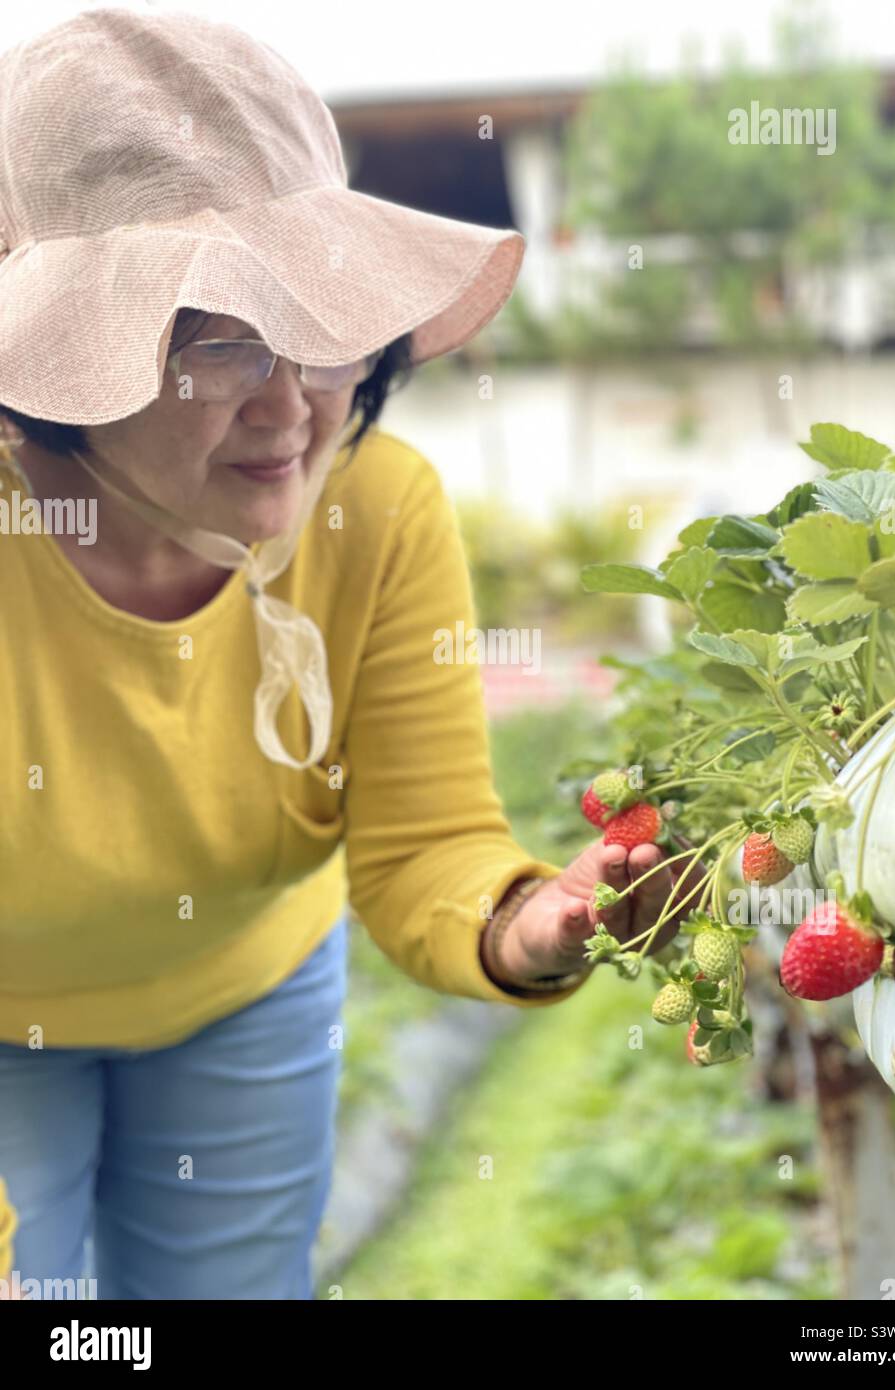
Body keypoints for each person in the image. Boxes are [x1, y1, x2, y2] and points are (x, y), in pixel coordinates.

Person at [0, 9, 687, 1299]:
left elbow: (426, 842)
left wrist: (522, 920)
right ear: (58, 371)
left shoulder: (381, 510)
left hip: (245, 989)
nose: (292, 402)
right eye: (219, 342)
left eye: (321, 328)